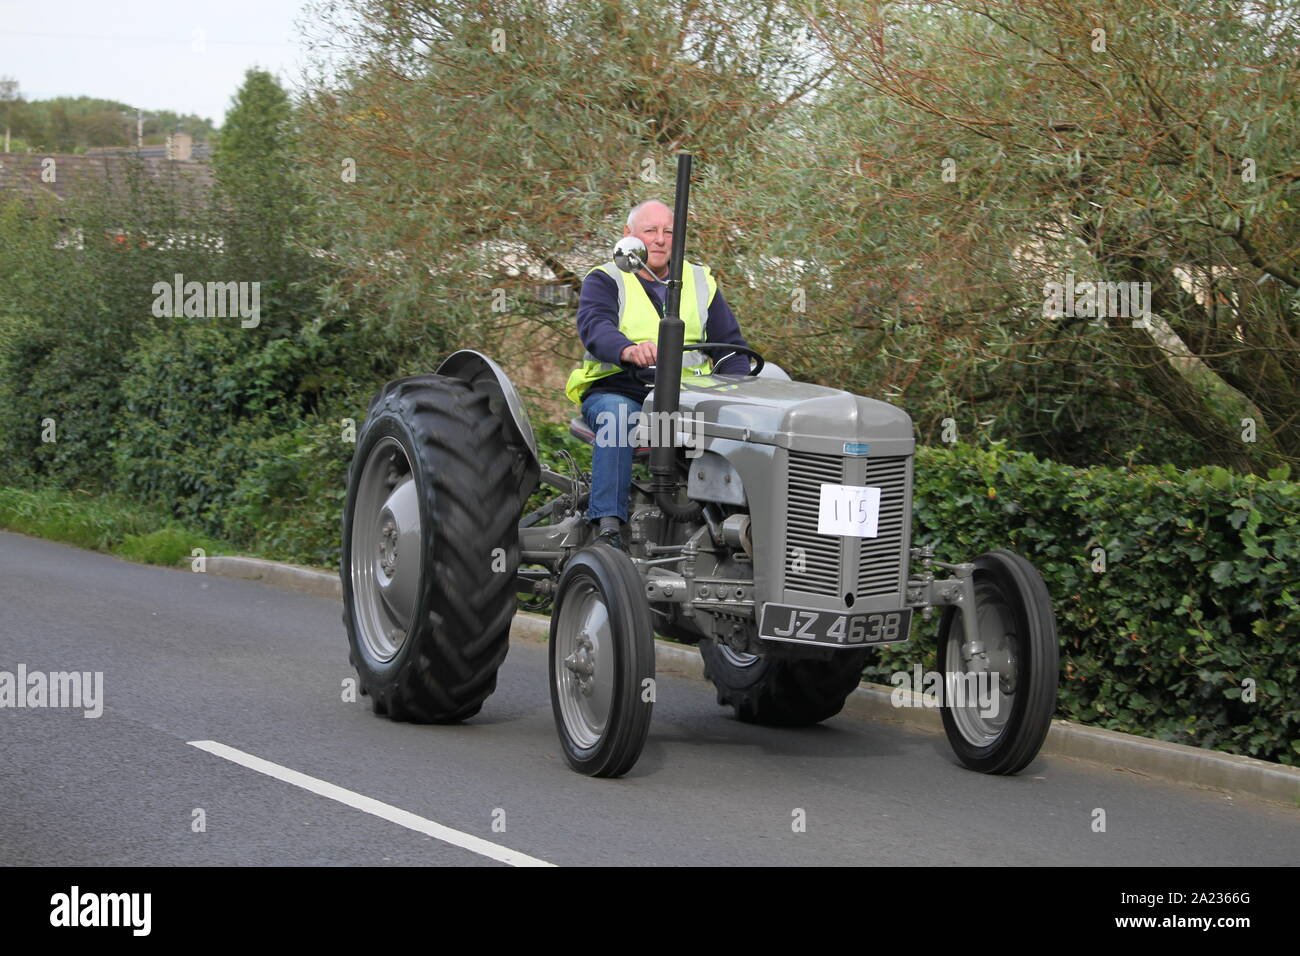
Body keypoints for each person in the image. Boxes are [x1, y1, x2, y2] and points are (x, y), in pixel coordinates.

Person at [565, 199, 751, 551]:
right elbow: (595, 327)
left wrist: (737, 391)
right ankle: (608, 529)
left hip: (686, 401)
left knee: (743, 425)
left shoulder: (699, 281)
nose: (661, 239)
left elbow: (730, 347)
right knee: (618, 417)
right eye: (650, 231)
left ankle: (732, 529)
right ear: (629, 235)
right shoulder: (605, 278)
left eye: (668, 231)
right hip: (622, 390)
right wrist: (627, 349)